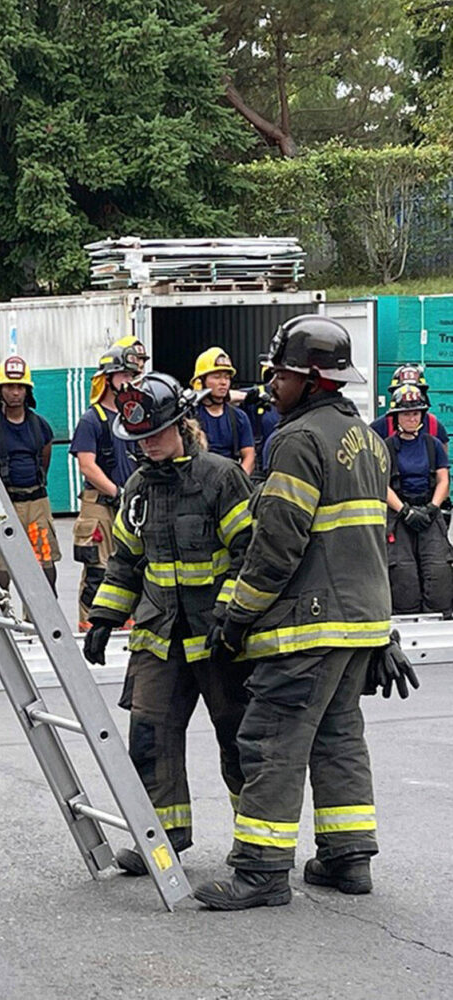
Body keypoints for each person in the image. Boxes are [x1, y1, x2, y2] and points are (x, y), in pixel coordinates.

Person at [194, 315, 391, 910]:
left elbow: (276, 545)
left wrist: (236, 617)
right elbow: (363, 539)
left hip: (308, 622)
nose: (270, 387)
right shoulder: (368, 440)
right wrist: (384, 630)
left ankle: (260, 871)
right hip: (361, 622)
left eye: (279, 375)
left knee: (270, 739)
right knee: (338, 737)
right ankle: (347, 857)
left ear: (311, 379)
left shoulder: (296, 441)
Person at [82, 373, 254, 874]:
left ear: (181, 424)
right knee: (150, 736)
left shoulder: (221, 478)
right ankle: (164, 837)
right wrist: (104, 616)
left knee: (239, 737)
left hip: (221, 635)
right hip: (160, 635)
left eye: (155, 434)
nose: (148, 446)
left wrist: (229, 612)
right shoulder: (137, 487)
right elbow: (127, 562)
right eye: (138, 439)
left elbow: (247, 554)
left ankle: (255, 843)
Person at [70, 343, 144, 631]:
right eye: (123, 374)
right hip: (101, 504)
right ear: (109, 379)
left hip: (131, 505)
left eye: (132, 374)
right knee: (97, 570)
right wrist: (118, 493)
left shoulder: (135, 417)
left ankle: (127, 622)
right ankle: (91, 625)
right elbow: (87, 465)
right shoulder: (92, 420)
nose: (129, 380)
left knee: (132, 566)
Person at [0, 356, 61, 593]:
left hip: (37, 505)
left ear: (27, 391)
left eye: (20, 387)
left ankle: (39, 625)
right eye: (10, 387)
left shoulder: (40, 426)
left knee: (44, 570)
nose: (15, 392)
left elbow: (45, 459)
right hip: (2, 506)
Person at [382, 383, 452, 616]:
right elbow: (382, 485)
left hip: (429, 513)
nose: (411, 418)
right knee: (403, 576)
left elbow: (443, 479)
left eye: (415, 413)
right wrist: (404, 511)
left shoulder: (433, 446)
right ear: (396, 417)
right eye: (406, 413)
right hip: (399, 515)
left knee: (439, 571)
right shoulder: (387, 448)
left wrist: (432, 508)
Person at [191, 347, 255, 474]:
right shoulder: (190, 416)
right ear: (201, 381)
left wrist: (238, 481)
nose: (223, 382)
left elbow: (249, 456)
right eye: (217, 377)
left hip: (230, 482)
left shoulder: (239, 417)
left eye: (227, 377)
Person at [369, 365, 449, 448]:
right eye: (405, 414)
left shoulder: (433, 424)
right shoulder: (380, 426)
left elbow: (442, 455)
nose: (409, 393)